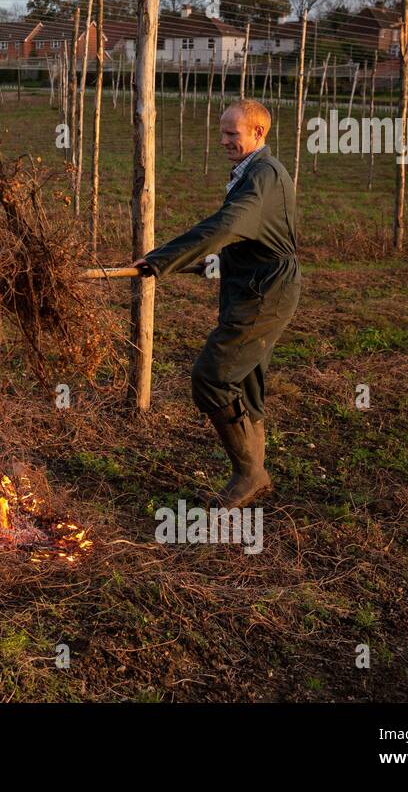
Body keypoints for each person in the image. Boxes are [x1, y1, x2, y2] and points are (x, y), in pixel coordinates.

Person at [131, 98, 300, 508]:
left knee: (212, 375)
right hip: (251, 286)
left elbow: (225, 227)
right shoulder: (252, 173)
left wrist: (163, 258)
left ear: (258, 133)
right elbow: (239, 248)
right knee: (247, 379)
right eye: (222, 132)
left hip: (265, 292)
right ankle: (254, 474)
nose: (223, 140)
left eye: (231, 133)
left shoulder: (264, 177)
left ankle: (249, 472)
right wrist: (179, 267)